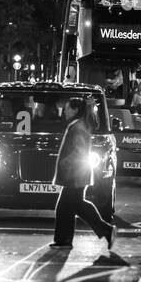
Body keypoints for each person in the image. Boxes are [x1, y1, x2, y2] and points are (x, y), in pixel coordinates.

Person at [49, 97, 115, 250]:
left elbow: (79, 151)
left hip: (75, 174)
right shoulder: (81, 124)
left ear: (75, 110)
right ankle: (65, 240)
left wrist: (65, 162)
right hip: (78, 174)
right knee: (75, 206)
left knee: (65, 207)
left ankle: (65, 240)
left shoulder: (77, 127)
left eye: (67, 109)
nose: (64, 112)